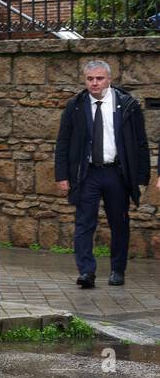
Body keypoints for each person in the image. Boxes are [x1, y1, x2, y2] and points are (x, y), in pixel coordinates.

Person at [54, 60, 151, 288]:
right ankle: (86, 272)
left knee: (119, 222)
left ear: (109, 79)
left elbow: (141, 143)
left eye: (99, 78)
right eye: (90, 79)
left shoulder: (127, 105)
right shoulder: (76, 105)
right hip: (87, 174)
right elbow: (63, 142)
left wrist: (142, 177)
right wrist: (62, 175)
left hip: (116, 173)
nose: (94, 83)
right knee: (84, 223)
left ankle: (118, 270)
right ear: (85, 80)